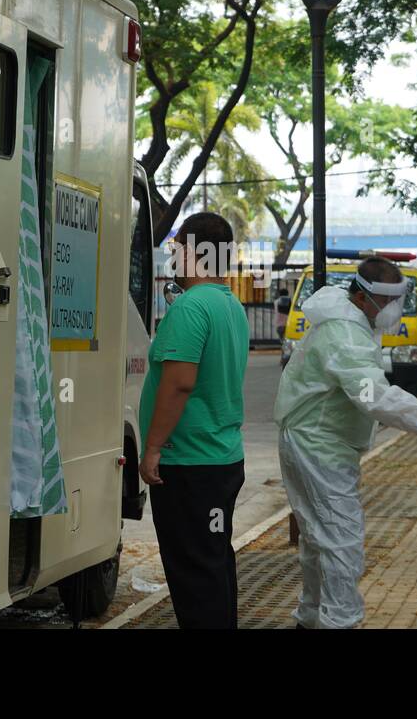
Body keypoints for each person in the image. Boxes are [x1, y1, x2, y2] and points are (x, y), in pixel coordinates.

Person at [275, 256, 417, 629]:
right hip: (319, 444)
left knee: (318, 538)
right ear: (365, 298)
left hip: (314, 439)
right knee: (341, 539)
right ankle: (339, 620)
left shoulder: (351, 323)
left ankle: (312, 616)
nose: (394, 311)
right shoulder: (345, 335)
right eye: (390, 302)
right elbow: (374, 394)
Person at [138, 212, 249, 629]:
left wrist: (152, 448)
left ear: (195, 251)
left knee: (195, 576)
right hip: (220, 460)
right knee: (213, 563)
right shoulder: (229, 304)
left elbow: (179, 383)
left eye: (177, 245)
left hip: (189, 465)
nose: (173, 253)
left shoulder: (192, 308)